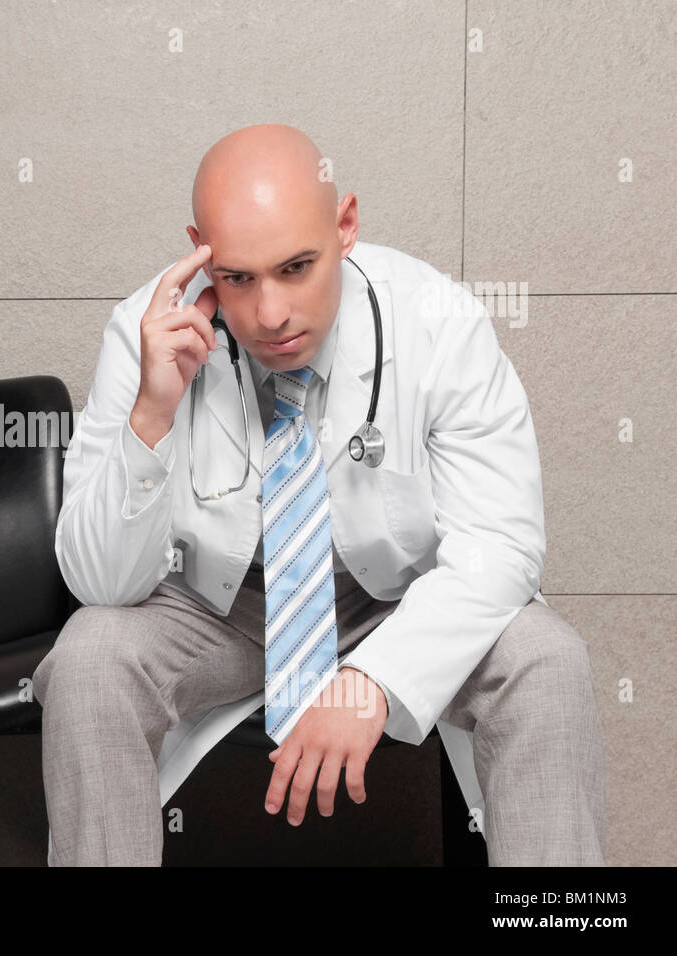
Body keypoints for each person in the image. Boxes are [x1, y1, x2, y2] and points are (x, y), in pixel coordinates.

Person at [33, 123, 605, 866]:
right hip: (220, 610)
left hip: (395, 602)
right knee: (90, 658)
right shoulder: (146, 330)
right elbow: (99, 583)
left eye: (297, 267)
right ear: (198, 247)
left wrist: (374, 678)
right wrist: (152, 415)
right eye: (237, 277)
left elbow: (501, 546)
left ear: (346, 225)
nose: (270, 314)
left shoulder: (440, 321)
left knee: (546, 658)